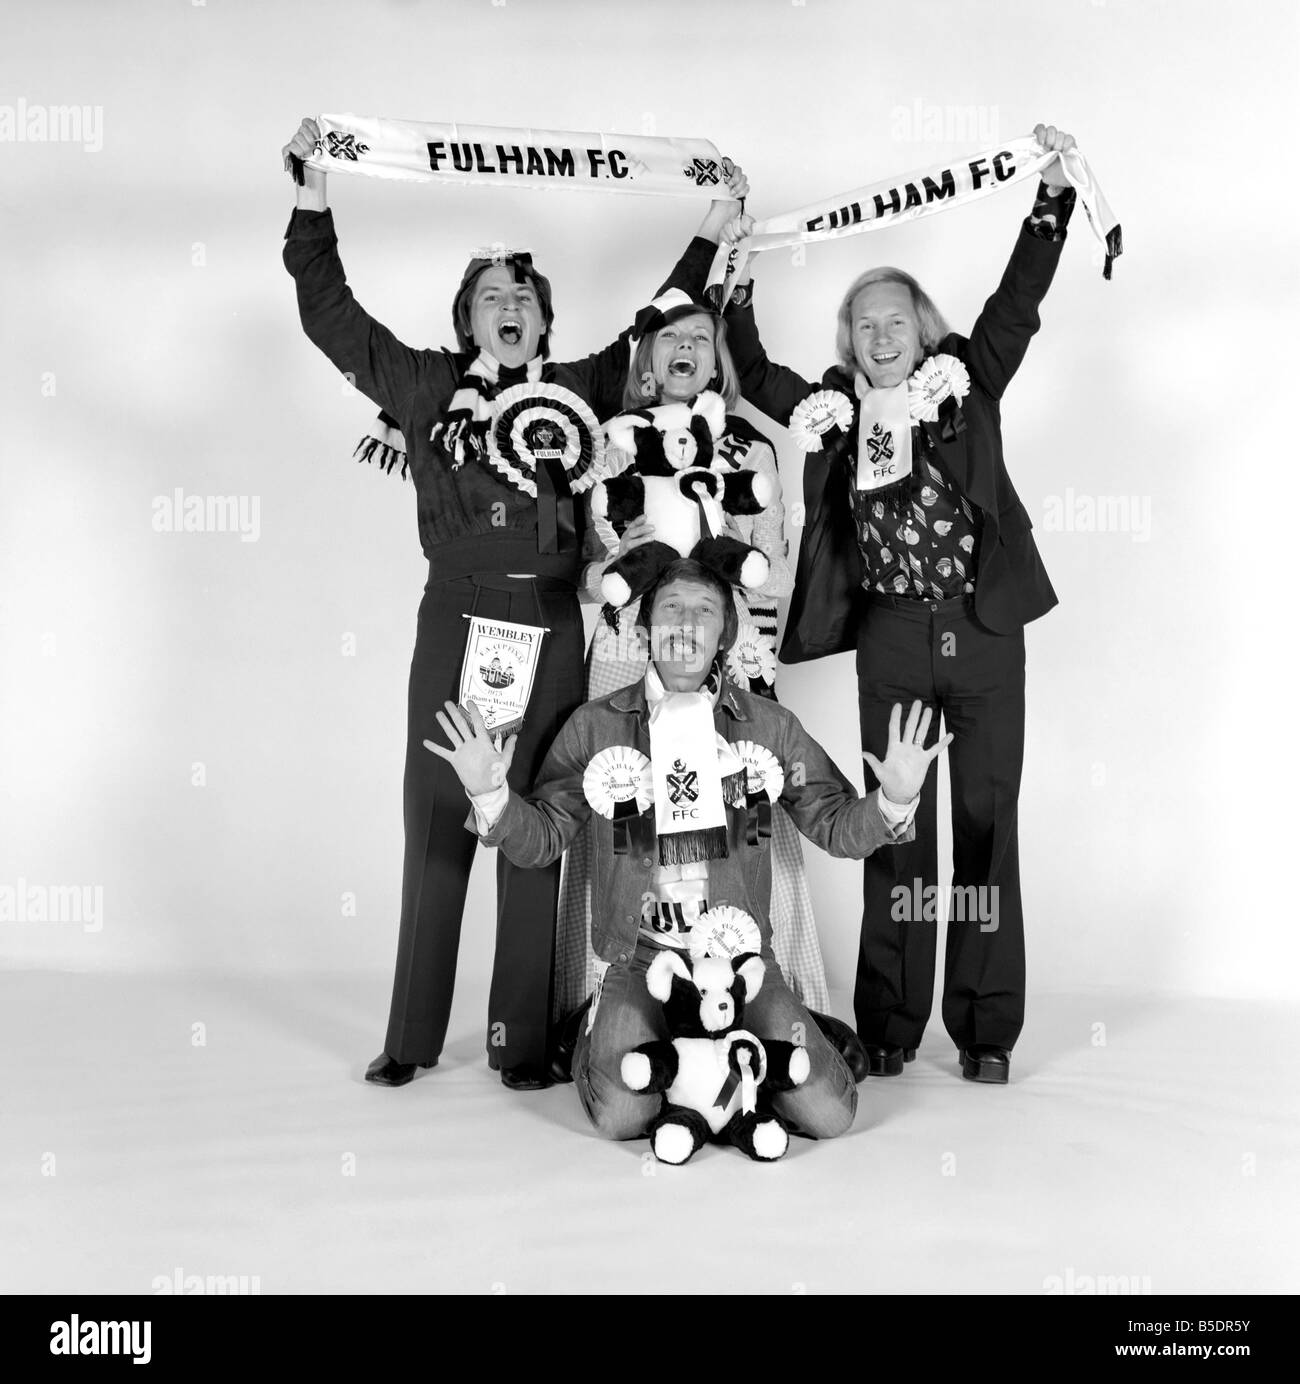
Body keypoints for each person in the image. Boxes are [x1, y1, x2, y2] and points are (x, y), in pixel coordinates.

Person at [280, 116, 749, 1090]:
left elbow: (656, 325)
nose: (508, 307)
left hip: (552, 622)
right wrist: (312, 195)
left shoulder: (580, 387)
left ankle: (523, 1044)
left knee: (537, 817)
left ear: (540, 319)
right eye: (490, 295)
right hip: (454, 620)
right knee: (442, 815)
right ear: (467, 318)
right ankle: (410, 1038)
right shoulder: (419, 383)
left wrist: (716, 219)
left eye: (522, 298)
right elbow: (332, 314)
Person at [722, 123, 1077, 1084]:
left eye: (894, 321)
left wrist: (1049, 201)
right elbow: (751, 377)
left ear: (923, 329)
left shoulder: (970, 385)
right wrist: (740, 271)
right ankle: (887, 1023)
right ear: (850, 344)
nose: (879, 338)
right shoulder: (834, 415)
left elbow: (1017, 305)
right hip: (891, 638)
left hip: (984, 630)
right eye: (862, 326)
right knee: (899, 824)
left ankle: (985, 1029)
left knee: (987, 830)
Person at [426, 558, 952, 1142]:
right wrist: (489, 791)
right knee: (623, 1116)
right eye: (672, 609)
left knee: (829, 1112)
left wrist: (894, 801)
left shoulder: (769, 725)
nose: (686, 624)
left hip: (743, 964)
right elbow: (543, 838)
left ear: (723, 633)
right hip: (641, 959)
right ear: (647, 627)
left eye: (705, 612)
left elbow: (834, 825)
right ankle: (602, 1034)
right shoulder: (595, 726)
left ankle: (736, 1055)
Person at [553, 288, 842, 1059]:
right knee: (622, 813)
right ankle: (607, 1002)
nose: (687, 347)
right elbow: (580, 577)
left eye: (703, 337)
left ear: (719, 360)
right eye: (669, 337)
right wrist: (611, 566)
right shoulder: (607, 447)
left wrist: (754, 652)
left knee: (745, 810)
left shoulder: (749, 452)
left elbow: (771, 573)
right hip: (626, 647)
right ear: (644, 361)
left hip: (722, 648)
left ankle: (764, 990)